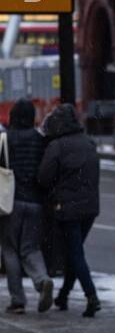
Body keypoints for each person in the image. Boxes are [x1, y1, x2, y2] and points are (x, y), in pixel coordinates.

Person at [37, 103, 101, 318]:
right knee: (75, 253)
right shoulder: (89, 143)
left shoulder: (57, 146)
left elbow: (44, 178)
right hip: (90, 208)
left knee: (74, 253)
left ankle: (91, 296)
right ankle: (63, 295)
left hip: (67, 207)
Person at [0, 99, 53, 315]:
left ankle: (18, 300)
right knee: (30, 247)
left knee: (10, 249)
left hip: (9, 202)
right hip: (35, 202)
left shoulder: (6, 139)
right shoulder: (40, 140)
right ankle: (42, 280)